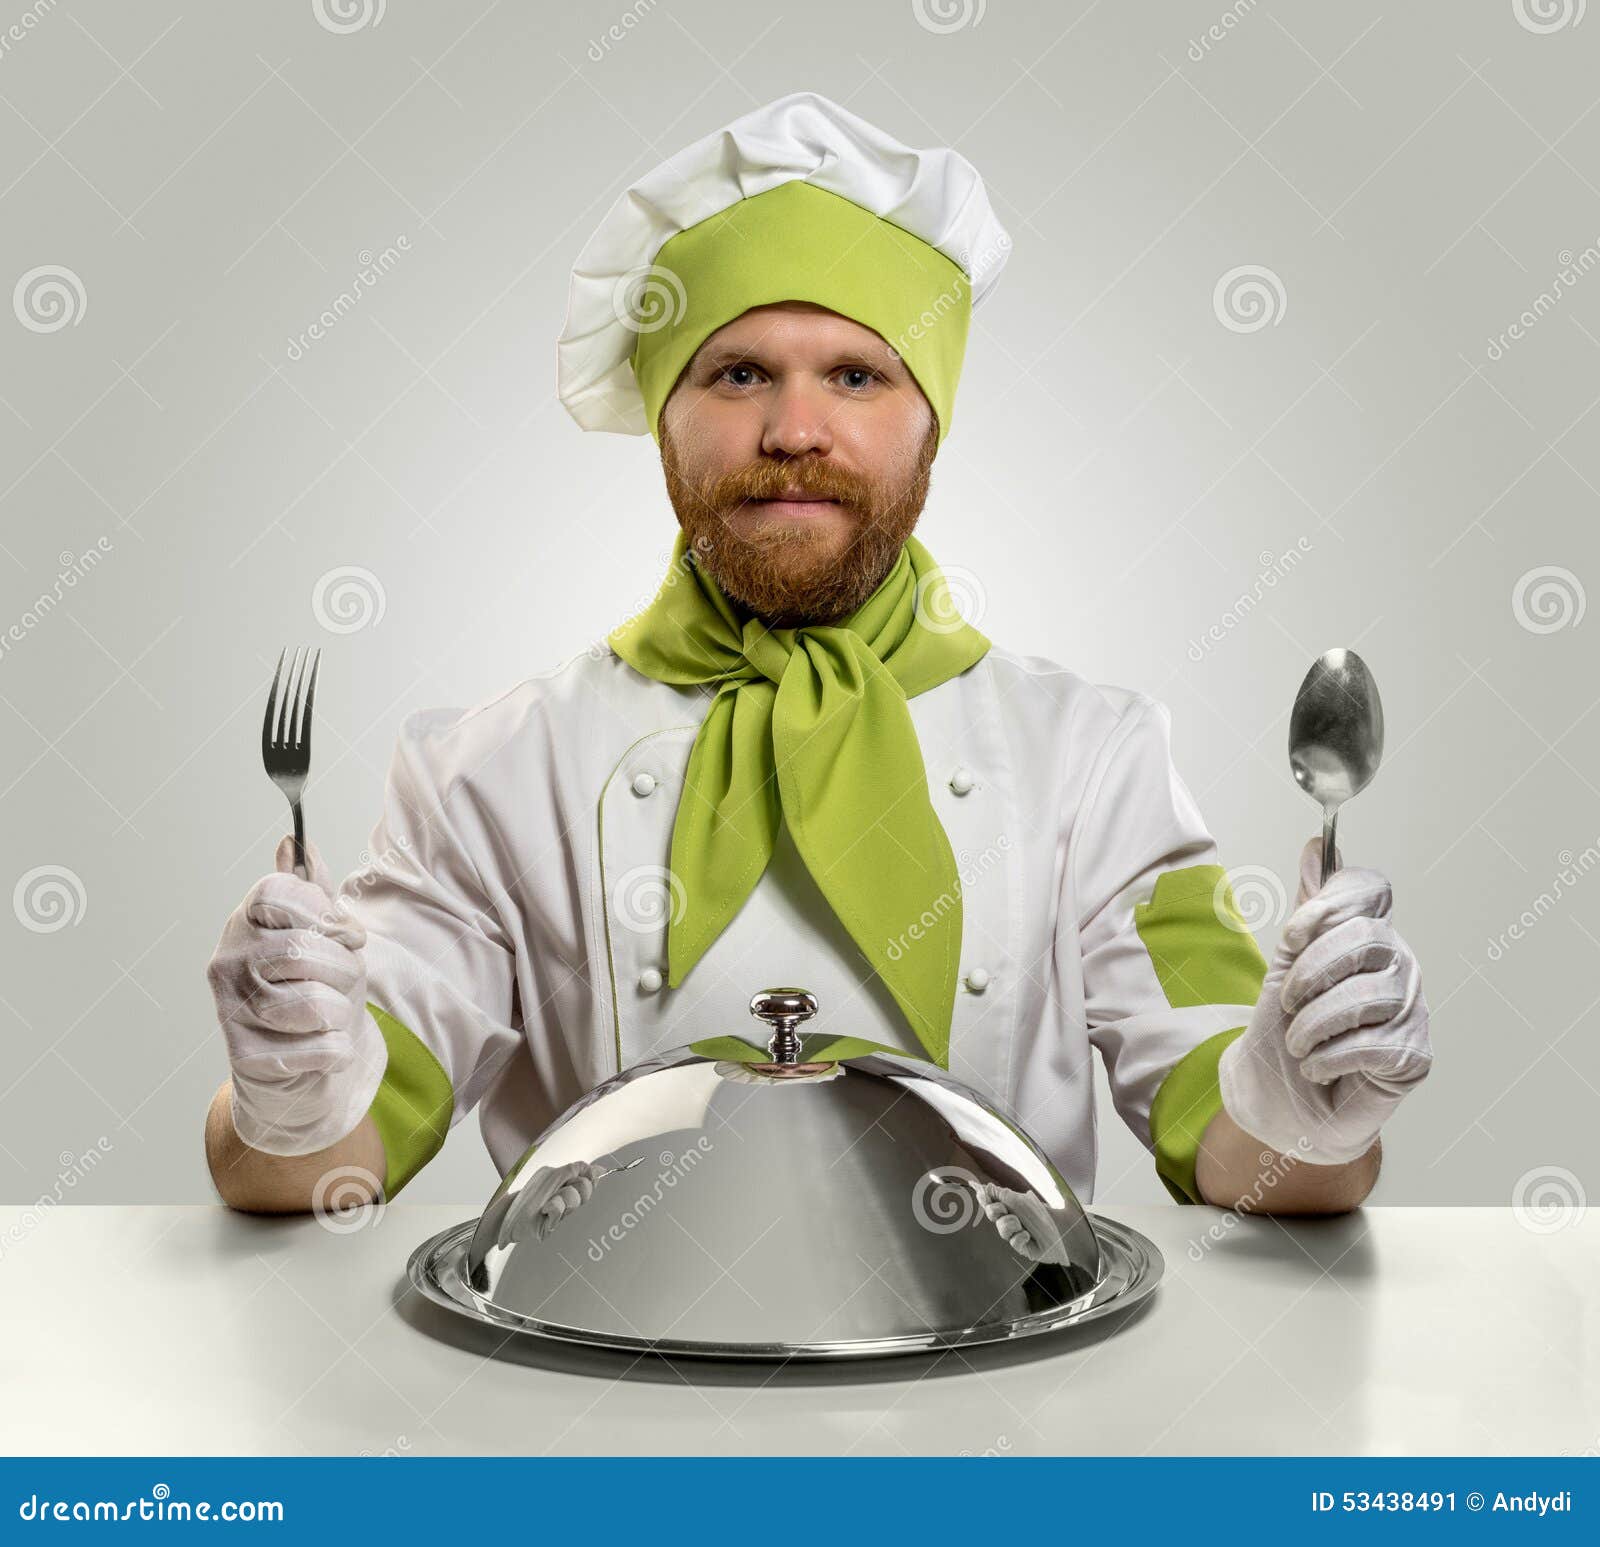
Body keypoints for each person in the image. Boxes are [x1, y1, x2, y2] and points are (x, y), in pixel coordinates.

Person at [204, 92, 1431, 1223]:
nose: (794, 430)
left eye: (855, 374)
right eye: (737, 373)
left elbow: (1250, 1155)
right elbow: (314, 1177)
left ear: (928, 421)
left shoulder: (1095, 756)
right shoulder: (491, 767)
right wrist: (289, 1095)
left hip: (1003, 1405)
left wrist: (1299, 1106)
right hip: (604, 1393)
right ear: (663, 414)